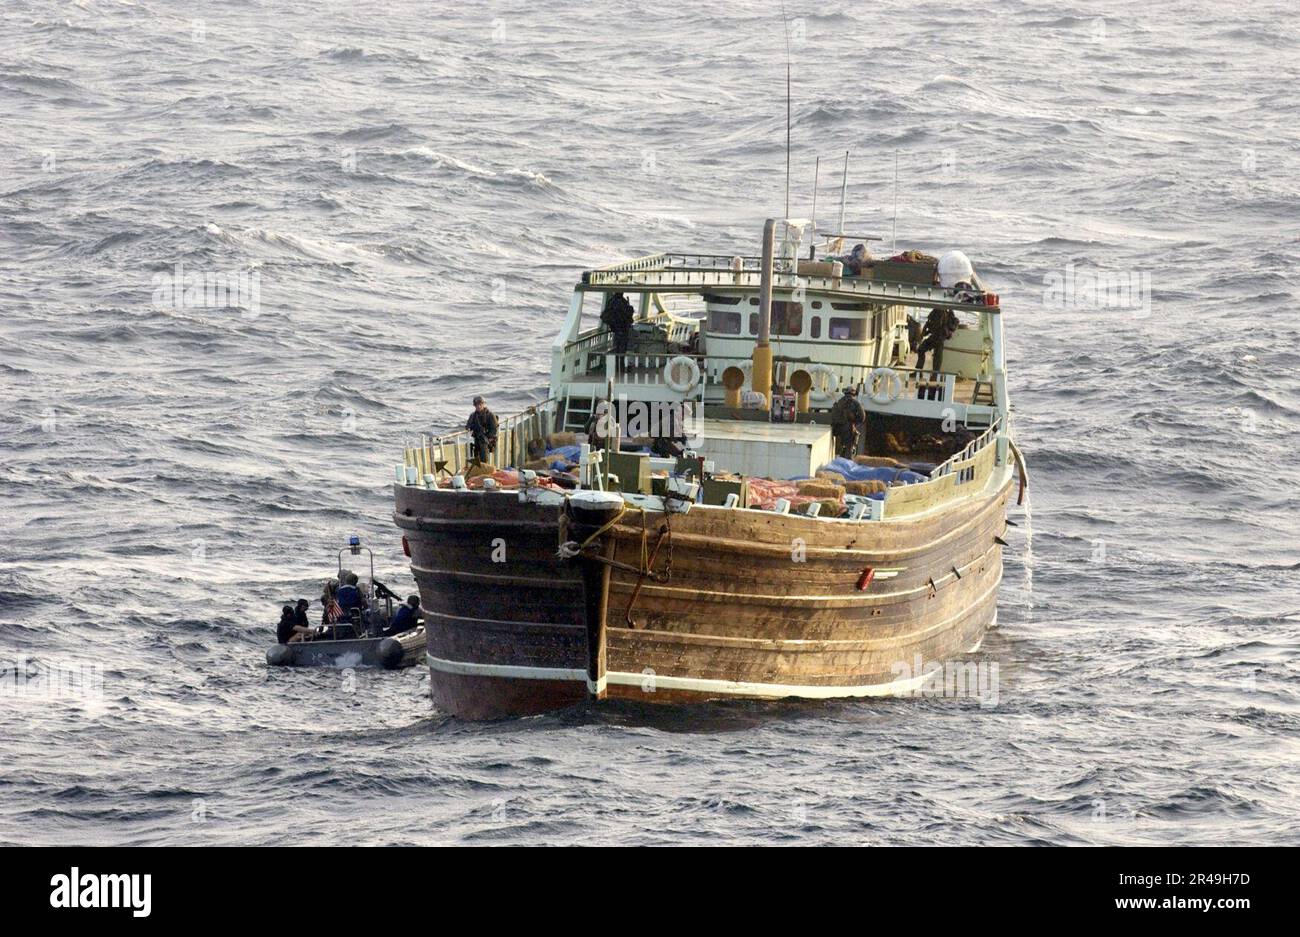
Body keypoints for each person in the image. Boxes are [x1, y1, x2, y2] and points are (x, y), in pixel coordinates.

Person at [915, 306, 959, 375]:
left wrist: (924, 333)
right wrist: (924, 333)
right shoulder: (938, 312)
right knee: (923, 351)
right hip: (936, 337)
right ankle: (920, 372)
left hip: (939, 337)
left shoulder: (942, 313)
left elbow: (932, 325)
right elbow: (929, 324)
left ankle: (932, 374)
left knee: (936, 356)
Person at [829, 386, 865, 460]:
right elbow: (862, 417)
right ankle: (847, 462)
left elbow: (833, 416)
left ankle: (839, 461)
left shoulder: (839, 402)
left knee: (839, 449)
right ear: (853, 393)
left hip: (837, 430)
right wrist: (854, 423)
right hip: (849, 429)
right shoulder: (855, 403)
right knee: (849, 450)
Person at [466, 395, 498, 463]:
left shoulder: (490, 415)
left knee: (484, 455)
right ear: (474, 406)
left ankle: (484, 466)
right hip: (477, 439)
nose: (479, 406)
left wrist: (488, 438)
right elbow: (468, 426)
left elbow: (494, 428)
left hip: (487, 439)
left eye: (480, 404)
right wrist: (472, 427)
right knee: (476, 456)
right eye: (477, 405)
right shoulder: (473, 416)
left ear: (483, 404)